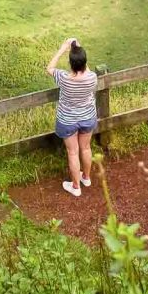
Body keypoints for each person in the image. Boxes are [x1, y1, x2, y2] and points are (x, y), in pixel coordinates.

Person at [46, 37, 97, 197]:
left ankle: (76, 187)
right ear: (84, 62)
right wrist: (79, 50)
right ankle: (86, 178)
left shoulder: (64, 78)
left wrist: (63, 49)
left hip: (68, 120)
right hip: (88, 117)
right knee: (86, 148)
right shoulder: (92, 77)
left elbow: (49, 68)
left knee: (73, 152)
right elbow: (85, 69)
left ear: (71, 64)